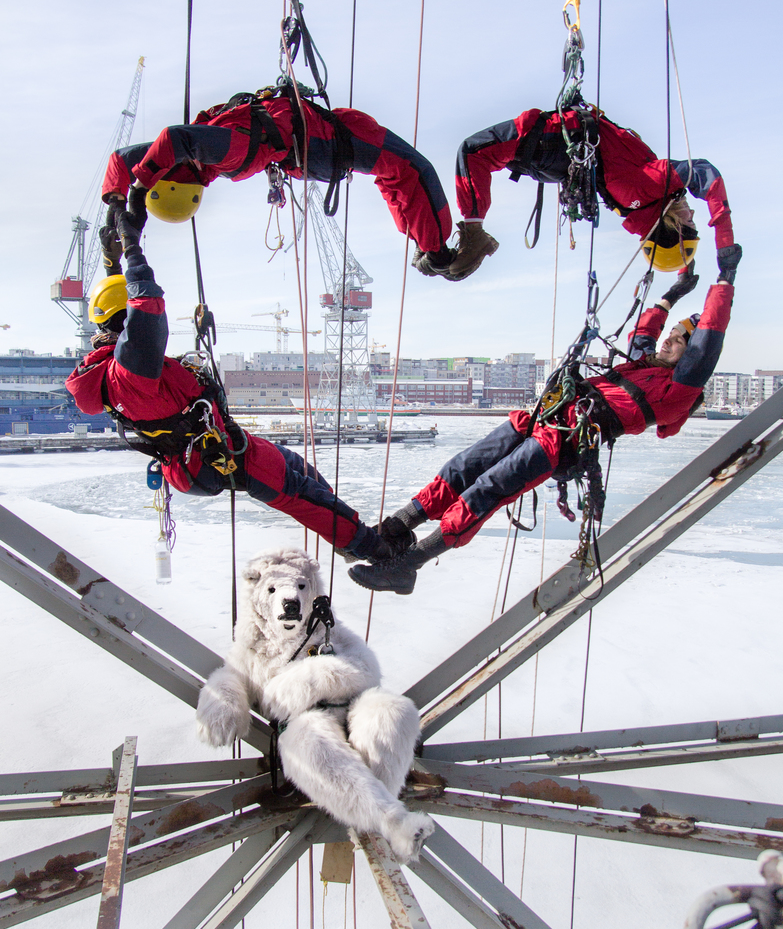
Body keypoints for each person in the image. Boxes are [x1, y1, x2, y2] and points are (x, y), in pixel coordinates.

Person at [347, 261, 739, 595]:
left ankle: (409, 565)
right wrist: (671, 294)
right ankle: (393, 530)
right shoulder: (645, 364)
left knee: (487, 489)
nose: (668, 341)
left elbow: (706, 344)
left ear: (691, 354)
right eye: (670, 336)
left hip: (563, 442)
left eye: (679, 341)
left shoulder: (679, 391)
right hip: (543, 417)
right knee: (461, 468)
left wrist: (724, 279)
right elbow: (645, 333)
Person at [66, 203, 400, 563]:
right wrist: (132, 251)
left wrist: (111, 262)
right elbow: (144, 308)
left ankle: (346, 537)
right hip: (216, 459)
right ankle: (374, 551)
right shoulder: (129, 370)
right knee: (298, 494)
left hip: (216, 447)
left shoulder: (107, 369)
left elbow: (121, 314)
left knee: (304, 474)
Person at [101, 88, 454, 273]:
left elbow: (130, 155)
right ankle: (435, 250)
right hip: (323, 140)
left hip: (317, 139)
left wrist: (120, 209)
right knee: (410, 169)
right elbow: (166, 142)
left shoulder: (200, 154)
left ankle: (427, 243)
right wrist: (131, 199)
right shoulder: (222, 152)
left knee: (397, 175)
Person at [442, 103, 740, 284]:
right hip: (555, 152)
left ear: (671, 226)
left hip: (555, 140)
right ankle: (444, 245)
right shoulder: (642, 204)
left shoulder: (647, 189)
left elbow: (703, 172)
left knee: (472, 153)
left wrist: (724, 243)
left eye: (690, 223)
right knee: (474, 156)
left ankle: (472, 232)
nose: (692, 214)